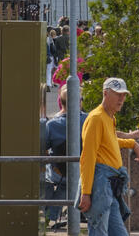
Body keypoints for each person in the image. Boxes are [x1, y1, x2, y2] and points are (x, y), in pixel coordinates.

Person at [78, 78, 139, 236]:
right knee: (98, 231)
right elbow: (87, 156)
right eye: (117, 95)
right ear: (105, 93)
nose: (121, 99)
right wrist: (86, 193)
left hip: (109, 185)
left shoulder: (109, 117)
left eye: (123, 95)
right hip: (101, 185)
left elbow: (108, 141)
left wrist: (132, 143)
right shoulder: (96, 118)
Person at [42, 83, 88, 225]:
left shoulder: (52, 125)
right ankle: (71, 212)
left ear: (61, 103)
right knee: (69, 179)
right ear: (79, 102)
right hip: (84, 172)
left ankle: (51, 213)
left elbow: (43, 148)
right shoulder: (88, 120)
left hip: (59, 173)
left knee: (59, 177)